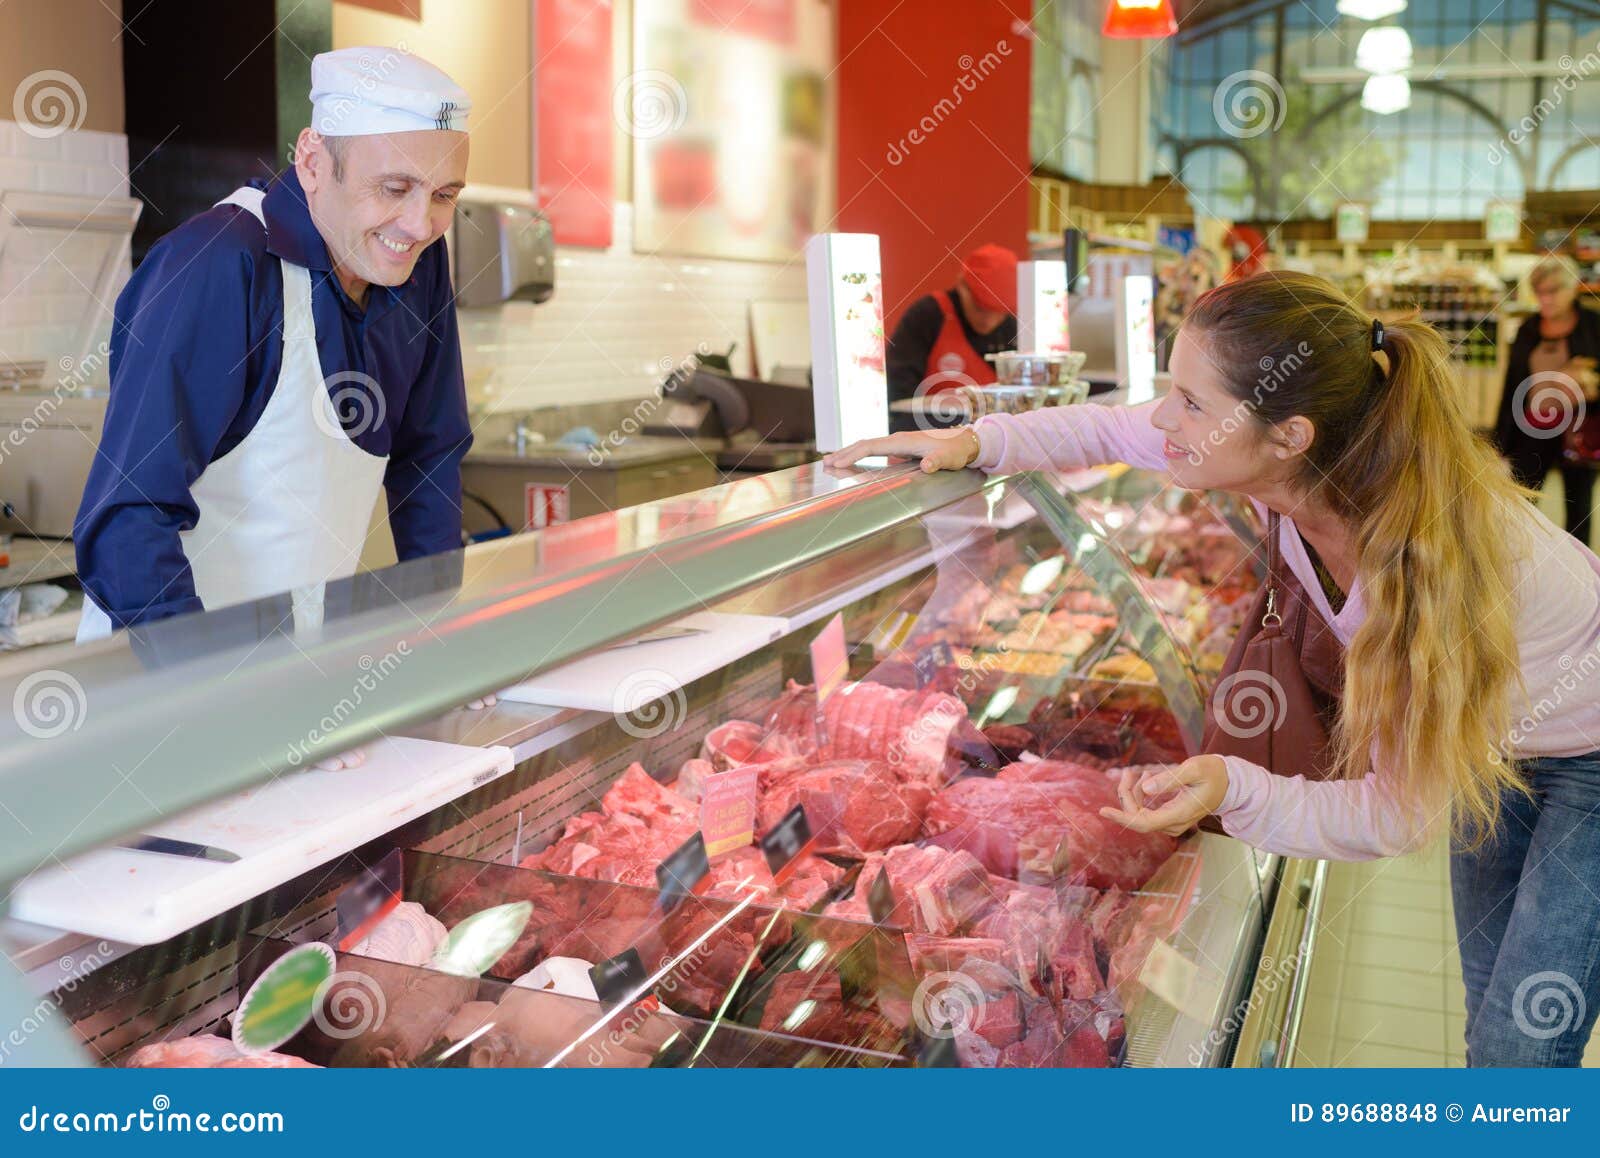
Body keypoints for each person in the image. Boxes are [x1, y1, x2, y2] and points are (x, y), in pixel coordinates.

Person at [828, 271, 1600, 1067]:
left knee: (1521, 1048)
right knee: (1492, 1021)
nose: (1165, 418)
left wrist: (1237, 787)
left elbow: (1395, 816)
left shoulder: (1419, 571)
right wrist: (976, 442)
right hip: (1503, 734)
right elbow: (1103, 431)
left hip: (1594, 751)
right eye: (1173, 390)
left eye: (1191, 403)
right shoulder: (1318, 469)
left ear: (1289, 436)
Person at [75, 47, 475, 645]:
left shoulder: (418, 263)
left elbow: (429, 456)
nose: (420, 224)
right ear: (314, 161)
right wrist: (215, 696)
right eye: (395, 187)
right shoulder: (217, 266)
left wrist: (438, 631)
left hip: (298, 677)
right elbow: (126, 519)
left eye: (445, 195)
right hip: (165, 687)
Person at [1493, 254, 1600, 543]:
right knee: (1521, 503)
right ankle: (1519, 564)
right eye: (1539, 291)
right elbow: (1513, 385)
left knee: (1579, 509)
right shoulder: (1529, 329)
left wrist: (1591, 387)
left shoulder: (1593, 325)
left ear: (1573, 287)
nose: (1545, 299)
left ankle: (1580, 578)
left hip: (1578, 432)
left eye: (1553, 291)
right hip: (1532, 428)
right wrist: (1500, 440)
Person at [885, 244, 1018, 402]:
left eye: (999, 312)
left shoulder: (1012, 327)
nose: (989, 321)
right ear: (962, 285)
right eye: (980, 308)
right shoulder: (928, 315)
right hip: (928, 424)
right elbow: (898, 392)